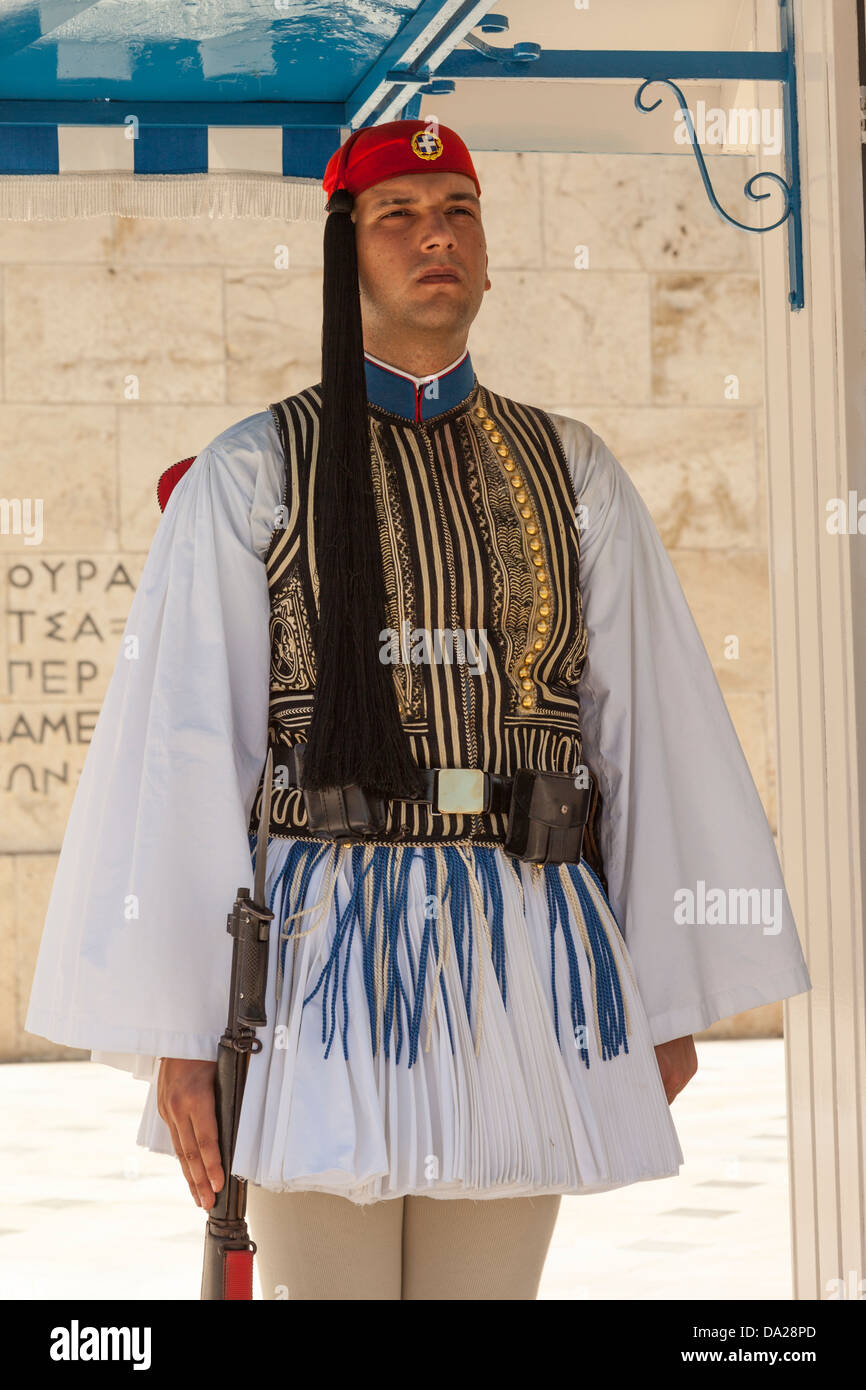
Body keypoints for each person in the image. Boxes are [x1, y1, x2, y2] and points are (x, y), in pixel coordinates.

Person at [25, 119, 812, 1301]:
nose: (434, 235)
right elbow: (187, 753)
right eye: (397, 214)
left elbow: (648, 734)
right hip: (314, 958)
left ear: (489, 257)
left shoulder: (573, 471)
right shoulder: (253, 474)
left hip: (526, 939)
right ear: (347, 254)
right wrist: (182, 1036)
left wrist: (663, 986)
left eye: (457, 209)